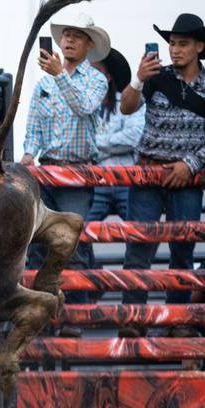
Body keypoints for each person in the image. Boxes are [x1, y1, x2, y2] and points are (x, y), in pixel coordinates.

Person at [118, 13, 205, 338]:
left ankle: (178, 322)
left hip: (186, 177)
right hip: (148, 171)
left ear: (199, 47)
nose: (175, 50)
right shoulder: (156, 77)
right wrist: (138, 79)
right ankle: (133, 319)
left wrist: (190, 164)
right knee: (138, 249)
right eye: (172, 43)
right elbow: (126, 108)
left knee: (182, 252)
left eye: (183, 44)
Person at [22, 13, 110, 328]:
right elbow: (33, 127)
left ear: (89, 44)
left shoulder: (97, 79)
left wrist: (60, 75)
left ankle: (76, 317)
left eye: (77, 36)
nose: (69, 40)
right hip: (48, 172)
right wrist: (29, 154)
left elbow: (85, 106)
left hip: (77, 173)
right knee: (38, 244)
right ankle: (41, 317)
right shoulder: (44, 84)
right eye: (66, 35)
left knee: (74, 247)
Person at [77, 48, 145, 293]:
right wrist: (107, 144)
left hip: (126, 180)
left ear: (106, 76)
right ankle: (93, 279)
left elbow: (135, 136)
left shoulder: (127, 101)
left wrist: (99, 145)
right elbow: (85, 139)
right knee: (79, 233)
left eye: (96, 70)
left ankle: (131, 286)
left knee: (138, 236)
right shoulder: (87, 106)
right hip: (97, 182)